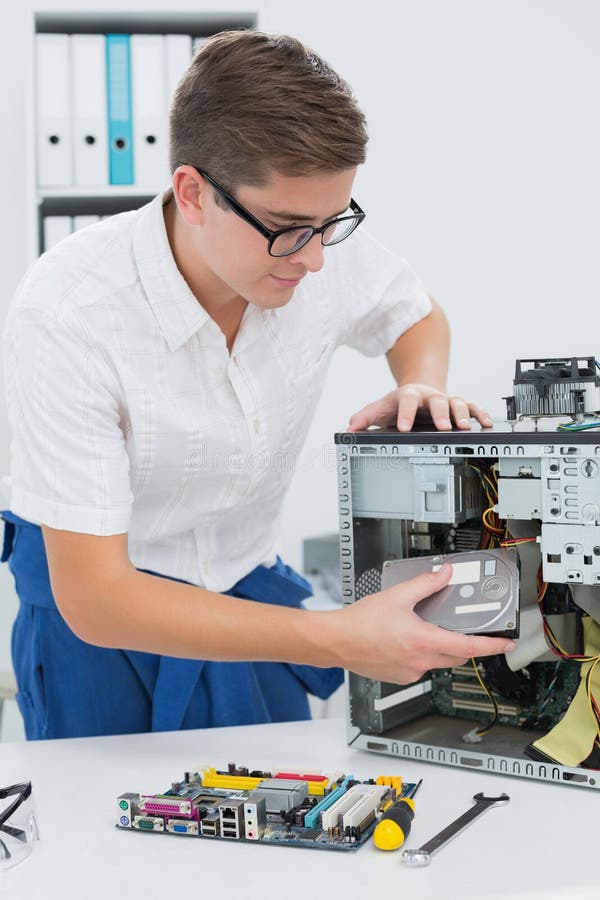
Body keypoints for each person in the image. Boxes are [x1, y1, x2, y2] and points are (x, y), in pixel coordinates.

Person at [1, 30, 514, 741]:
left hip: (251, 597)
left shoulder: (314, 242)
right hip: (103, 634)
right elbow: (97, 598)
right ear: (194, 193)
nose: (315, 262)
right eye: (289, 230)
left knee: (280, 831)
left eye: (332, 224)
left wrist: (421, 386)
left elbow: (417, 317)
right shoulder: (68, 312)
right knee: (107, 844)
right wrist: (340, 637)